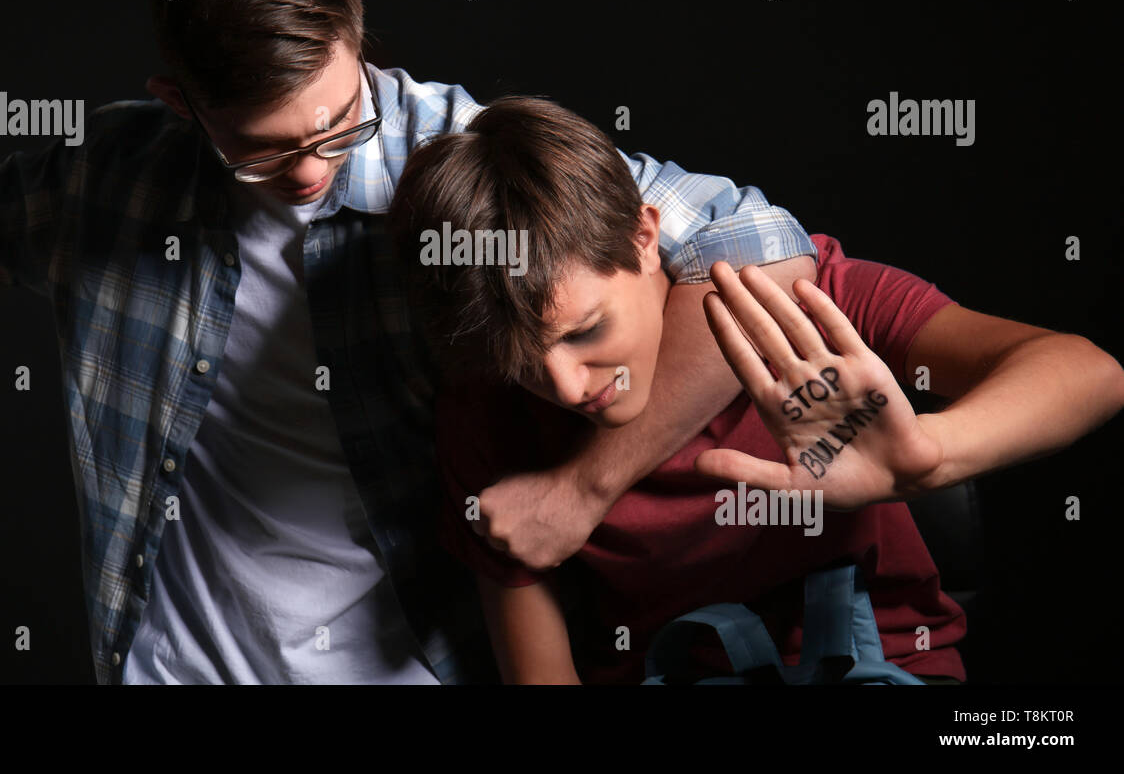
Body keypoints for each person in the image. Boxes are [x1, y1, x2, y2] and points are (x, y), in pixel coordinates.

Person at [0, 0, 819, 684]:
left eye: (336, 126)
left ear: (356, 39)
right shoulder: (117, 175)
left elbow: (762, 247)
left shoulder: (462, 169)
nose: (312, 172)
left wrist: (584, 485)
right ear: (180, 105)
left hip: (414, 665)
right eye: (265, 152)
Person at [391, 95, 1124, 684]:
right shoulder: (485, 414)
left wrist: (928, 457)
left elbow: (1089, 372)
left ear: (645, 237)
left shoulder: (799, 314)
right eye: (521, 360)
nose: (562, 384)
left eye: (585, 331)